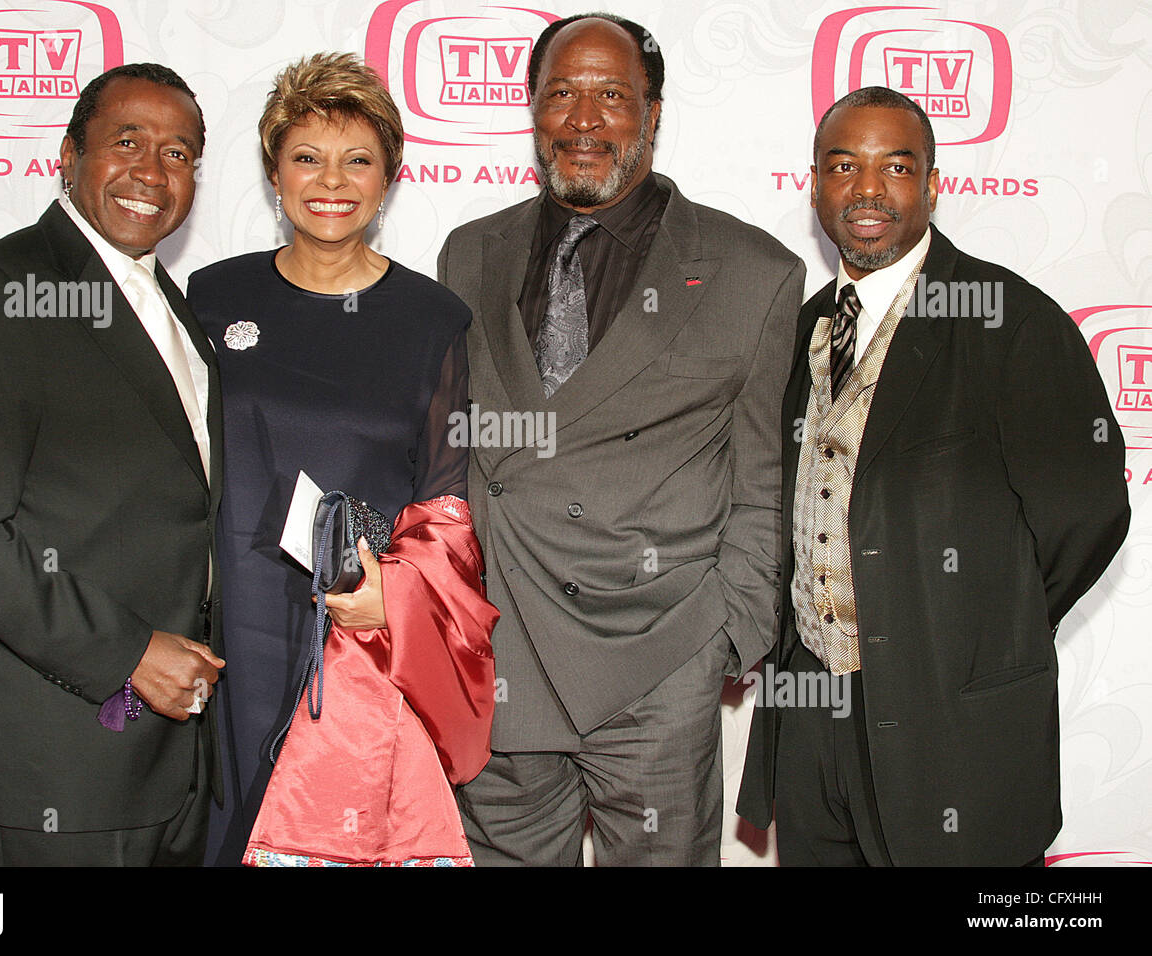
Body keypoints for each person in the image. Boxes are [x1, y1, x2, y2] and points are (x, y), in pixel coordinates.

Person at [437, 13, 805, 865]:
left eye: (612, 95)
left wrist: (727, 632)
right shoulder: (469, 252)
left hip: (657, 662)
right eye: (562, 93)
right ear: (532, 110)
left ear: (654, 112)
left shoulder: (752, 272)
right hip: (504, 653)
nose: (584, 118)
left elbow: (760, 480)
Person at [737, 87, 1130, 866]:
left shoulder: (1008, 321)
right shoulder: (799, 329)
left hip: (953, 731)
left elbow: (1085, 514)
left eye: (897, 166)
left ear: (934, 185)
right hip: (812, 716)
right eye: (844, 166)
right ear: (815, 185)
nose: (868, 189)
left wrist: (975, 630)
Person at [0, 63, 224, 866]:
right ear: (68, 154)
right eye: (128, 141)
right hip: (50, 765)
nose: (152, 171)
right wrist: (126, 655)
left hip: (175, 763)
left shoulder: (177, 308)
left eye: (179, 153)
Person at [188, 52, 495, 867]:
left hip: (355, 644)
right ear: (273, 171)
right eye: (307, 157)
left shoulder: (434, 319)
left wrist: (393, 601)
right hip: (226, 639)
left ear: (390, 176)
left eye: (358, 158)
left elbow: (447, 505)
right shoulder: (213, 299)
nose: (333, 180)